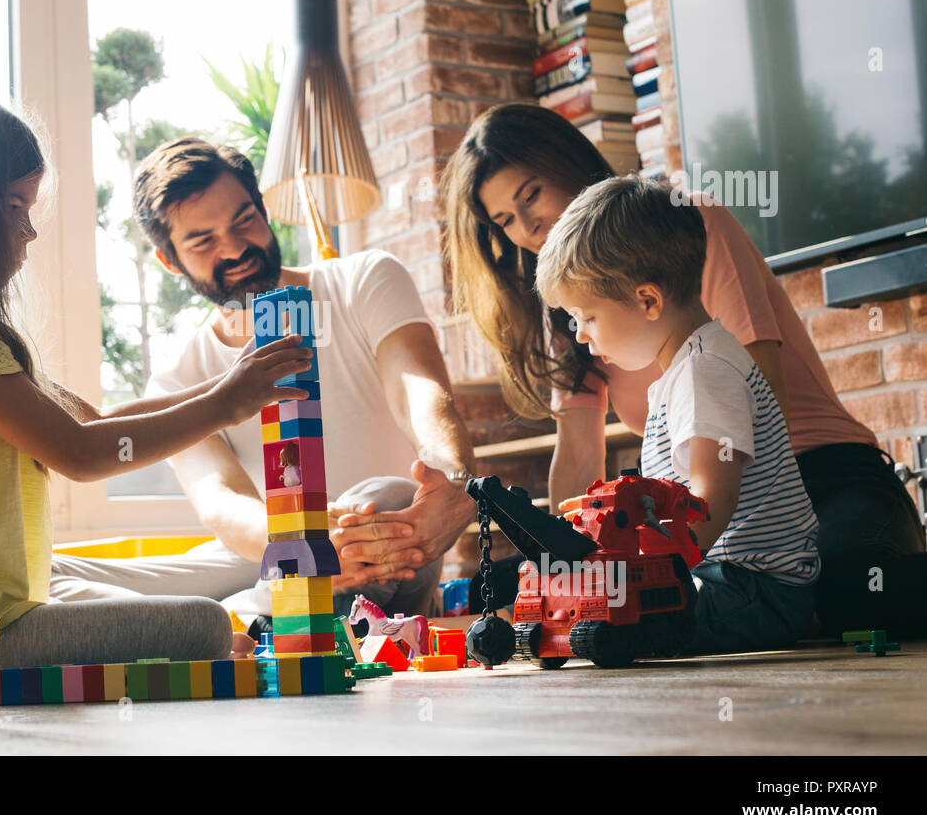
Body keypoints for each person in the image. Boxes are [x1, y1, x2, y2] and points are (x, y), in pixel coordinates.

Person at [344, 102, 924, 640]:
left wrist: (664, 557)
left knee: (851, 593)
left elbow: (757, 392)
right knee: (524, 583)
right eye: (504, 220)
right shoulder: (579, 309)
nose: (526, 227)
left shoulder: (685, 226)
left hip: (816, 477)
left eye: (531, 196)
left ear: (567, 165)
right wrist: (572, 562)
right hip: (705, 524)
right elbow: (576, 457)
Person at [0, 87, 312, 700]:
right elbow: (83, 453)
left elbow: (92, 420)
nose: (29, 230)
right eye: (13, 205)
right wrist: (226, 404)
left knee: (169, 617)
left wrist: (228, 384)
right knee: (205, 623)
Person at [49, 137, 479, 620]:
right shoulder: (177, 378)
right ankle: (227, 616)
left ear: (264, 211)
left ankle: (225, 622)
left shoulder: (362, 279)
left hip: (375, 537)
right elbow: (224, 502)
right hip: (270, 552)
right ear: (170, 261)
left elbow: (418, 391)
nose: (235, 248)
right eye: (203, 240)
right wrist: (298, 542)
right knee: (48, 574)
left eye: (244, 220)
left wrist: (456, 479)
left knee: (387, 499)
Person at [537, 176, 820, 652]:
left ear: (648, 300)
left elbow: (713, 499)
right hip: (728, 575)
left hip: (756, 586)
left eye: (587, 317)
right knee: (616, 611)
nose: (581, 336)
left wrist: (648, 575)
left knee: (636, 622)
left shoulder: (704, 372)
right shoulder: (688, 367)